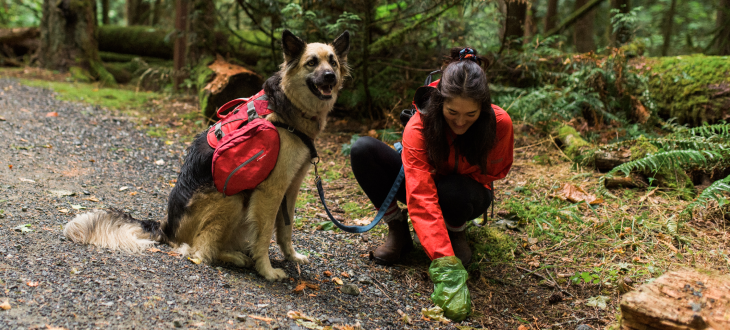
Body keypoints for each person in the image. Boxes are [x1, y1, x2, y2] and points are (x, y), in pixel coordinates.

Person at [349, 47, 514, 321]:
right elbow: (421, 194)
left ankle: (455, 229)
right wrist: (443, 260)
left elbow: (496, 170)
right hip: (423, 185)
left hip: (466, 192)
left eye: (470, 115)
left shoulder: (500, 124)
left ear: (483, 108)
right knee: (363, 150)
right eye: (452, 112)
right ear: (440, 101)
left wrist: (458, 167)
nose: (460, 122)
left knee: (454, 191)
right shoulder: (420, 125)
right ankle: (398, 230)